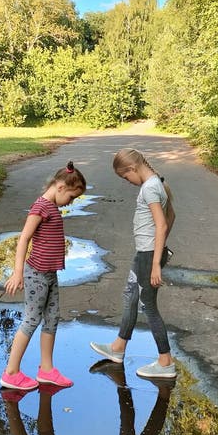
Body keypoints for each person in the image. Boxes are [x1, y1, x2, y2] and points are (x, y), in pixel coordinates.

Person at [90, 147, 177, 379]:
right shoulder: (157, 183)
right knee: (131, 295)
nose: (127, 181)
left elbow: (161, 224)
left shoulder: (150, 188)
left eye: (125, 176)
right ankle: (118, 348)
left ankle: (165, 361)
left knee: (148, 305)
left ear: (132, 168)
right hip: (146, 254)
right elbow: (172, 217)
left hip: (148, 256)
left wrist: (156, 262)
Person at [0, 161, 86, 391]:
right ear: (60, 187)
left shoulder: (52, 207)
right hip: (36, 273)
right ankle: (11, 372)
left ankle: (46, 369)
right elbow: (23, 238)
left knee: (52, 317)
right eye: (71, 197)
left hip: (49, 274)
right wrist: (18, 272)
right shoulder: (40, 207)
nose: (71, 202)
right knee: (31, 319)